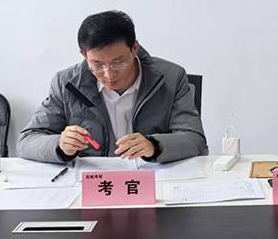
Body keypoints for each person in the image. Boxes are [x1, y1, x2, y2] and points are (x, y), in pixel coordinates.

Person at [18, 10, 208, 163]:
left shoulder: (171, 77)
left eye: (118, 63)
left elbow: (194, 139)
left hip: (151, 179)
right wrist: (60, 145)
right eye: (98, 65)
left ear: (134, 48)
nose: (108, 75)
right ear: (84, 54)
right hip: (92, 183)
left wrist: (154, 145)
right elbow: (27, 141)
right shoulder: (67, 83)